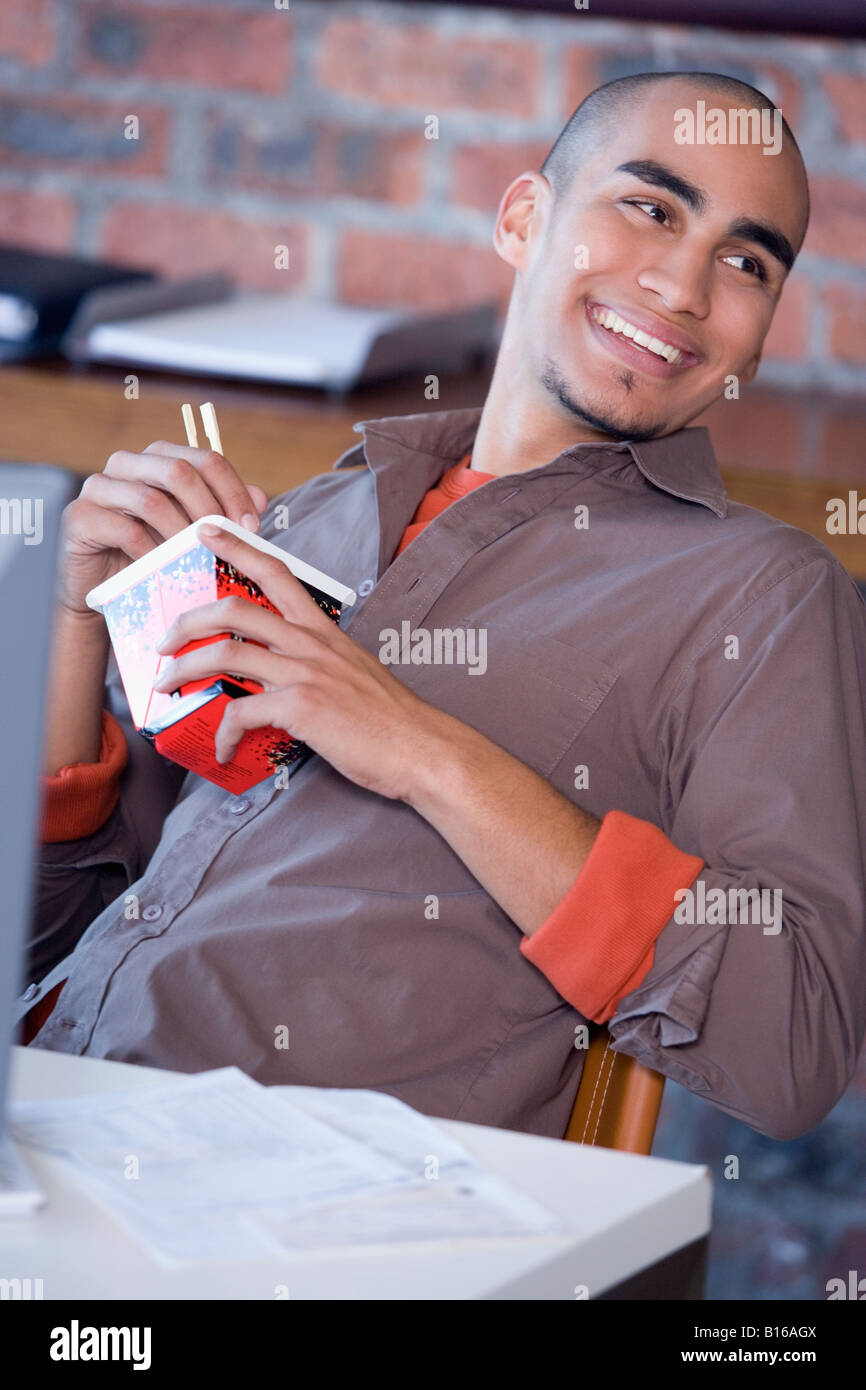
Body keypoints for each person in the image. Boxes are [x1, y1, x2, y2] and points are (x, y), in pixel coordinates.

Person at [21, 72, 866, 1142]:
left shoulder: (765, 596)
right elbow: (46, 933)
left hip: (288, 1207)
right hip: (47, 1119)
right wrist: (66, 618)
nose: (681, 286)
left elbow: (789, 1040)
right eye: (649, 208)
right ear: (522, 218)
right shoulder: (305, 517)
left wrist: (418, 748)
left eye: (743, 263)